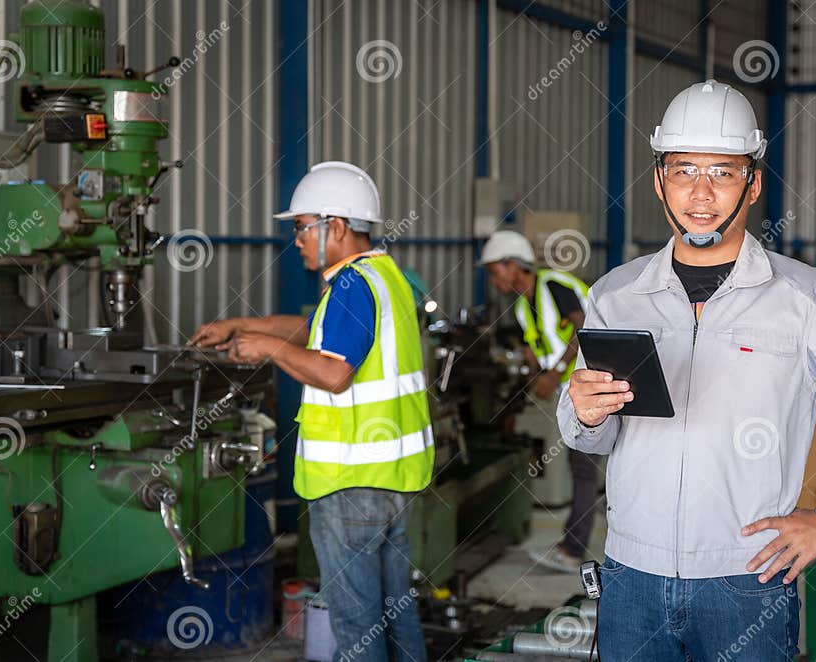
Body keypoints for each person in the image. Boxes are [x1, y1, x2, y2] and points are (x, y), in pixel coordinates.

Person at [557, 80, 816, 660]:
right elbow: (593, 435)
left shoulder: (807, 298)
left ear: (752, 184)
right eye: (683, 170)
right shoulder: (616, 295)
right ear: (659, 180)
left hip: (747, 580)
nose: (700, 193)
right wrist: (582, 413)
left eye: (723, 172)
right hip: (632, 576)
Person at [189, 161, 432, 662]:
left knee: (357, 622)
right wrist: (242, 327)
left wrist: (266, 349)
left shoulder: (352, 284)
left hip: (351, 482)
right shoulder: (385, 275)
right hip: (391, 476)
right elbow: (317, 331)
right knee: (394, 610)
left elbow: (333, 372)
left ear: (335, 226)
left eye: (302, 228)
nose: (297, 240)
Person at [480, 230, 600, 573]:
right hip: (570, 392)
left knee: (584, 467)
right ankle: (572, 545)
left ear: (513, 265)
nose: (493, 281)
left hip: (593, 385)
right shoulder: (522, 307)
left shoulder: (554, 287)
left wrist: (555, 372)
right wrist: (533, 379)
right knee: (581, 467)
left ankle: (573, 550)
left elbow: (583, 330)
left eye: (495, 271)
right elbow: (533, 353)